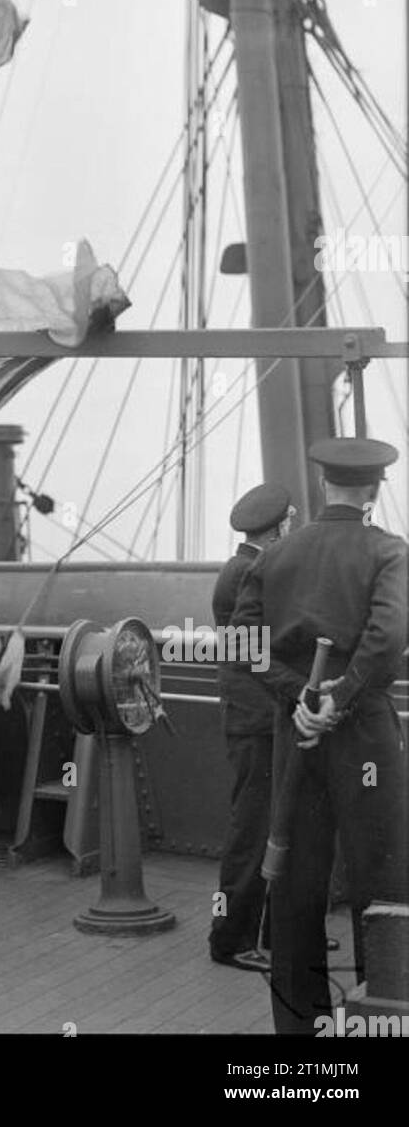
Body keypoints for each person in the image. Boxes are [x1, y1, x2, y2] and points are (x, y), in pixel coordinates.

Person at [231, 437, 408, 1035]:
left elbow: (244, 641)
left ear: (324, 486)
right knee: (381, 874)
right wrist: (343, 693)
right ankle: (376, 1016)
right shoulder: (388, 551)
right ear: (374, 490)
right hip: (364, 737)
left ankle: (298, 1036)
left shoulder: (276, 556)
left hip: (297, 733)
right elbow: (387, 640)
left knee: (296, 880)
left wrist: (299, 696)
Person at [208, 483, 293, 972]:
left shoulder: (243, 567)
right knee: (251, 831)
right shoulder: (248, 573)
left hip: (260, 717)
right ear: (279, 527)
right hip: (255, 720)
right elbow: (252, 650)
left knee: (272, 825)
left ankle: (275, 929)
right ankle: (230, 939)